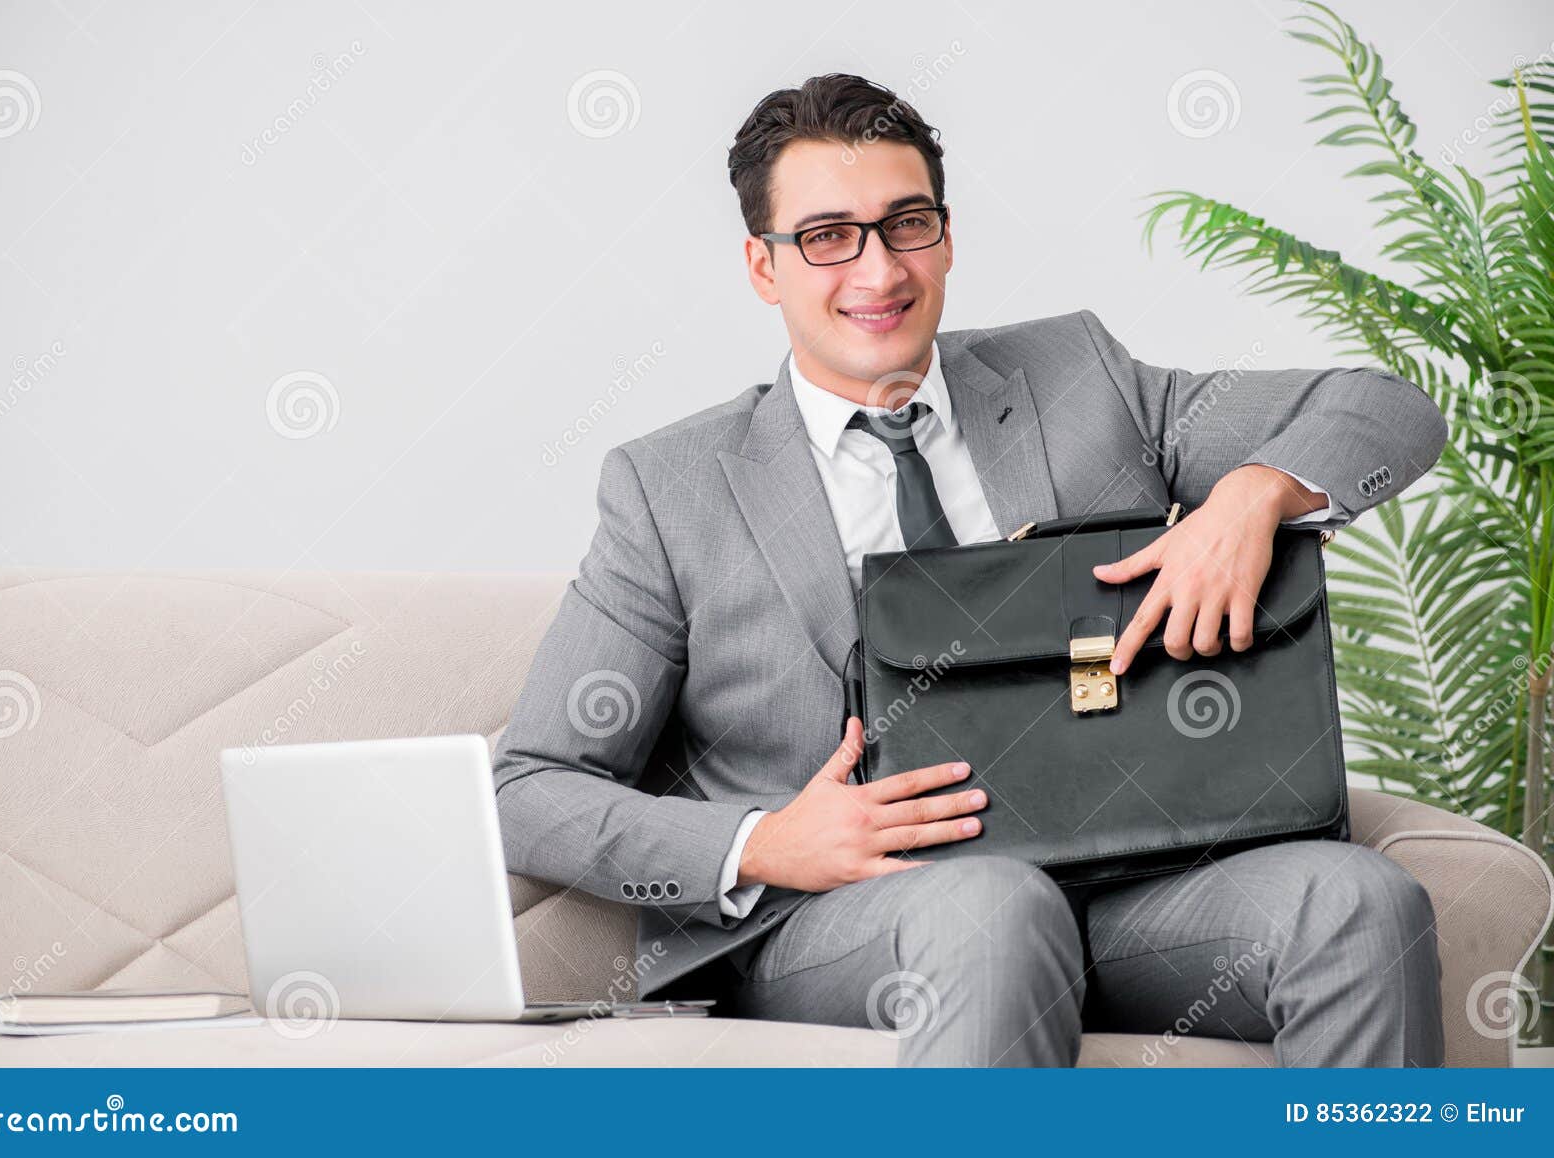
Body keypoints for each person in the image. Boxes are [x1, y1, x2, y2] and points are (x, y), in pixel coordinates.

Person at [492, 73, 1449, 1066]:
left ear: (945, 237)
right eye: (827, 236)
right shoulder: (671, 489)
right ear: (763, 266)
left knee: (1360, 903)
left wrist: (1253, 495)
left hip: (1135, 889)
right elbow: (529, 785)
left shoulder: (1080, 379)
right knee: (995, 909)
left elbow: (1387, 407)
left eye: (906, 223)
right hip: (849, 917)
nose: (878, 269)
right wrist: (764, 842)